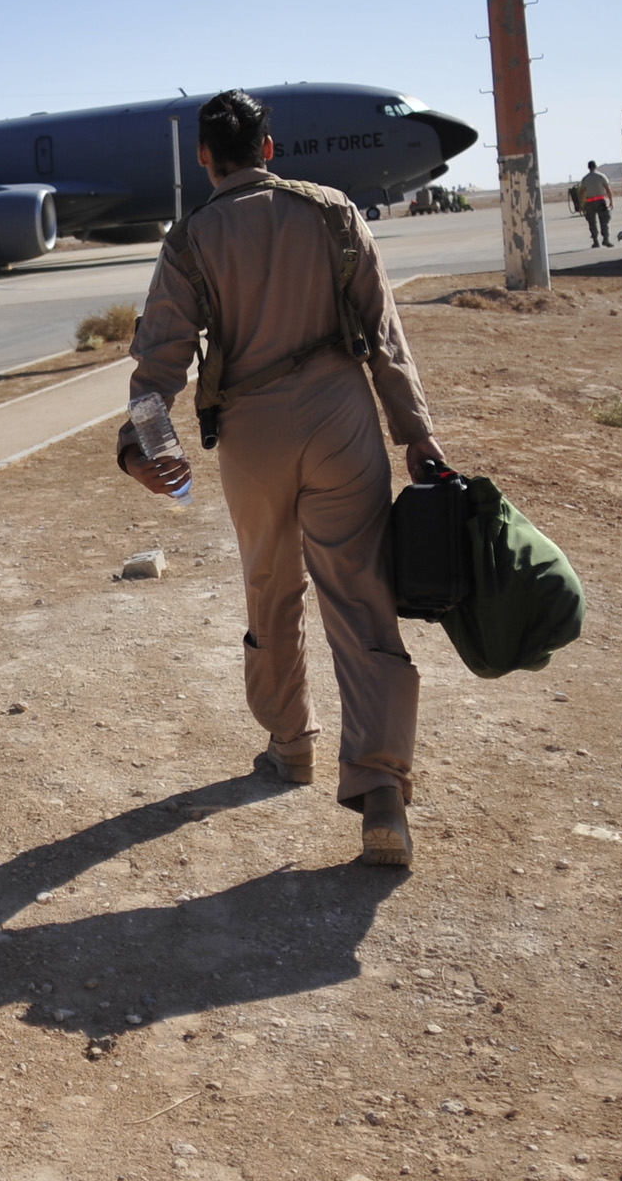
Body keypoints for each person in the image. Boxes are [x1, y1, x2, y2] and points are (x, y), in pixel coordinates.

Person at [119, 90, 445, 867]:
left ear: (205, 158)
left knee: (271, 588)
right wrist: (417, 437)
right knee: (361, 597)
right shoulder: (332, 211)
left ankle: (289, 745)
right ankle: (381, 791)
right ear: (269, 149)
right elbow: (384, 336)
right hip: (341, 418)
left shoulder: (191, 238)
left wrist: (145, 450)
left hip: (252, 436)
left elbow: (159, 362)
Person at [580, 160, 615, 247]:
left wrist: (581, 204)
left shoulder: (585, 178)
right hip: (600, 201)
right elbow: (608, 189)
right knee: (604, 221)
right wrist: (611, 201)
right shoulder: (601, 176)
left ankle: (596, 241)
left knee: (592, 223)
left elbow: (582, 192)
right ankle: (606, 240)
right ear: (596, 166)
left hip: (590, 202)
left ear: (588, 167)